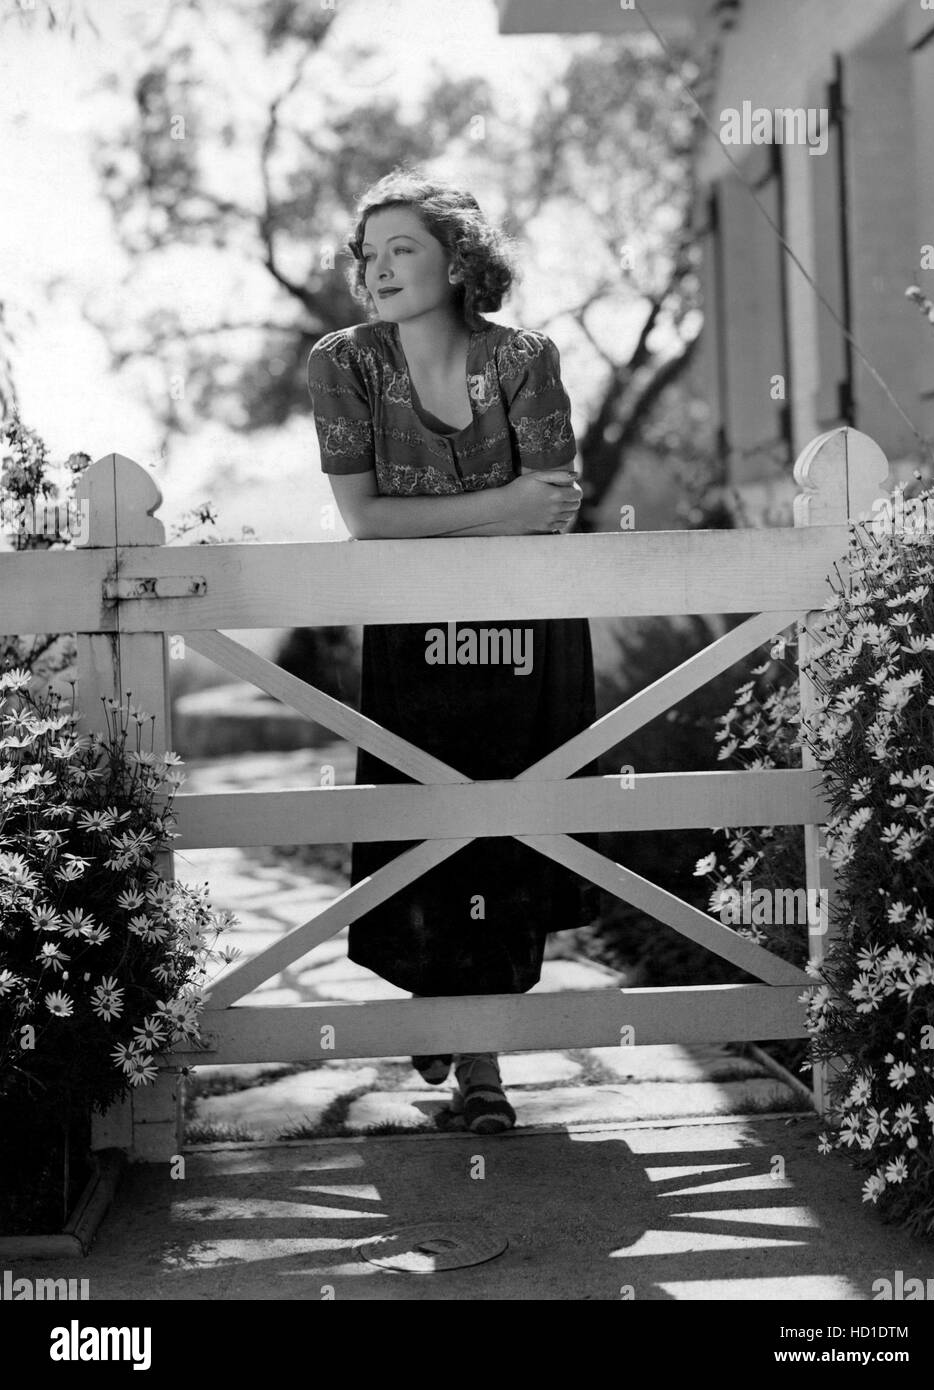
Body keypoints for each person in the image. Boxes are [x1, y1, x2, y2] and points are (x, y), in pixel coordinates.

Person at [307, 167, 599, 1135]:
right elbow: (362, 519)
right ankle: (440, 1012)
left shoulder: (523, 356)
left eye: (403, 249)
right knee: (423, 829)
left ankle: (479, 1062)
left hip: (527, 635)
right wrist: (498, 508)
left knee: (506, 834)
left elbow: (552, 508)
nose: (378, 269)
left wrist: (456, 519)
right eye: (369, 253)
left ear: (457, 260)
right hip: (412, 638)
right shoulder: (342, 362)